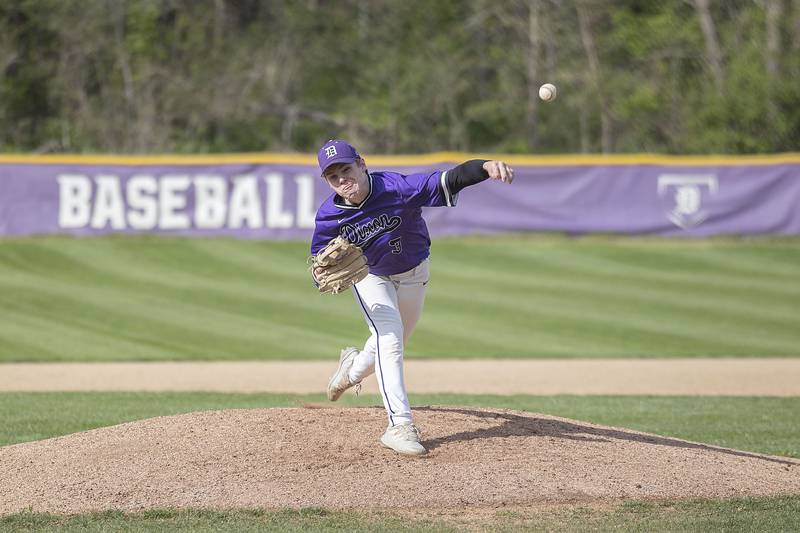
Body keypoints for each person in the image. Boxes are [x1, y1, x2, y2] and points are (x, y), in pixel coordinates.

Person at [310, 139, 514, 456]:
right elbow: (319, 261)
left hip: (415, 272)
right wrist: (320, 273)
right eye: (333, 177)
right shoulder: (329, 216)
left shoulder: (397, 188)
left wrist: (485, 167)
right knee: (389, 337)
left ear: (362, 164)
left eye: (346, 170)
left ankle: (351, 371)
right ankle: (399, 425)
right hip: (370, 277)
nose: (342, 180)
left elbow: (450, 178)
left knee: (391, 342)